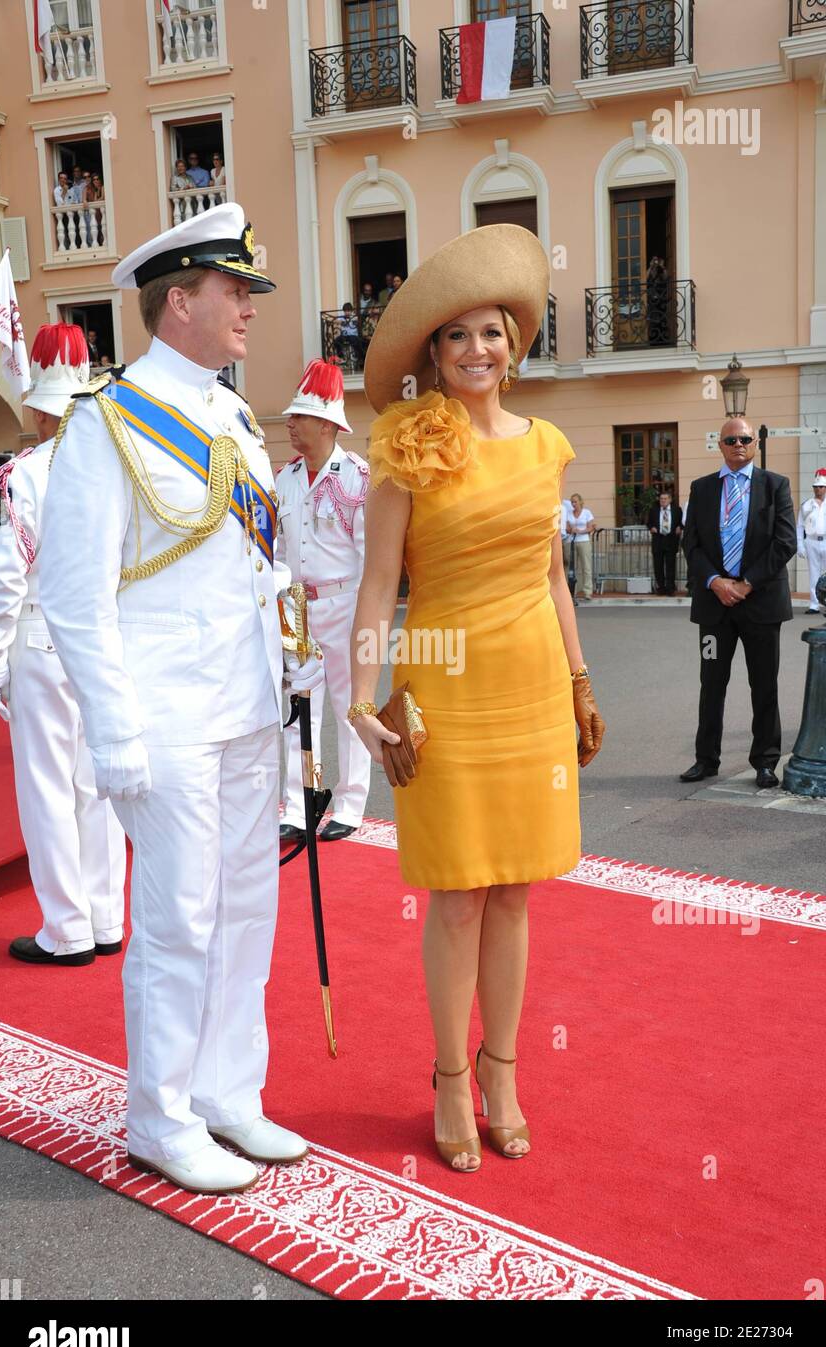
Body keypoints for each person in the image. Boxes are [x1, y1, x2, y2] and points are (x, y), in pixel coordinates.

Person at [40, 203, 324, 1195]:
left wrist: (290, 653)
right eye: (232, 290)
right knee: (177, 919)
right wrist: (113, 730)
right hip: (161, 715)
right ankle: (158, 1115)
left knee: (247, 909)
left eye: (247, 291)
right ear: (176, 306)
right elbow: (73, 598)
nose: (247, 306)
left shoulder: (233, 419)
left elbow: (255, 566)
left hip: (244, 706)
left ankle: (225, 1093)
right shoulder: (106, 424)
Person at [349, 224, 605, 1173]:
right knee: (456, 896)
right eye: (454, 337)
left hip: (531, 684)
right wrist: (361, 701)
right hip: (445, 689)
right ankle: (451, 1078)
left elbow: (553, 578)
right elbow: (380, 585)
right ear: (433, 353)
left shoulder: (545, 447)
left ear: (515, 344)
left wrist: (578, 679)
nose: (473, 351)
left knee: (515, 893)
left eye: (489, 333)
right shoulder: (407, 445)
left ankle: (504, 1075)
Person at [0, 323, 127, 967]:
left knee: (46, 788)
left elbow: (5, 578)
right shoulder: (117, 469)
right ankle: (107, 917)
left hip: (40, 640)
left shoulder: (22, 474)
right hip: (102, 638)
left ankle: (67, 930)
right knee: (96, 785)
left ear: (42, 409)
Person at [277, 360, 371, 844]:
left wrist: (365, 619)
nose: (290, 424)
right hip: (296, 608)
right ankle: (301, 800)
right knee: (299, 708)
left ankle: (351, 803)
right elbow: (274, 549)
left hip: (344, 604)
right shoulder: (285, 479)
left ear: (328, 423)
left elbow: (367, 555)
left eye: (300, 416)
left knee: (350, 707)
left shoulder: (356, 478)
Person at [681, 417, 797, 788]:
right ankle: (706, 760)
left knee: (764, 684)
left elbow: (785, 542)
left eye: (745, 439)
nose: (738, 445)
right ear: (720, 445)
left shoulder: (775, 486)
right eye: (730, 439)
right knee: (711, 683)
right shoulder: (702, 489)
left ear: (755, 444)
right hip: (716, 606)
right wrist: (715, 582)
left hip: (760, 604)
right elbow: (692, 544)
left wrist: (746, 584)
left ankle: (765, 762)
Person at [797, 467, 826, 613]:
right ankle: (814, 604)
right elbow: (799, 526)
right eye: (816, 487)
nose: (818, 489)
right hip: (811, 541)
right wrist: (800, 545)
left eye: (821, 487)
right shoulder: (806, 505)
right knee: (814, 573)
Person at [647, 488, 683, 595]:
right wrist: (651, 527)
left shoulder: (677, 510)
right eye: (661, 499)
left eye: (665, 499)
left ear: (670, 500)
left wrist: (680, 527)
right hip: (658, 540)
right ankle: (661, 588)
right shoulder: (654, 510)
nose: (663, 501)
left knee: (670, 566)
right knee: (658, 566)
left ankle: (670, 588)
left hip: (671, 540)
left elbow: (683, 522)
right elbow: (648, 523)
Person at [564, 493, 595, 600]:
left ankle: (587, 591)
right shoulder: (568, 513)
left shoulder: (587, 512)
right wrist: (570, 529)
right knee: (571, 567)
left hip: (583, 541)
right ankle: (572, 591)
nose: (573, 504)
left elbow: (591, 527)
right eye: (572, 502)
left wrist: (581, 531)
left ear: (580, 502)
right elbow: (567, 528)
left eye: (575, 501)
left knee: (586, 566)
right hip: (571, 541)